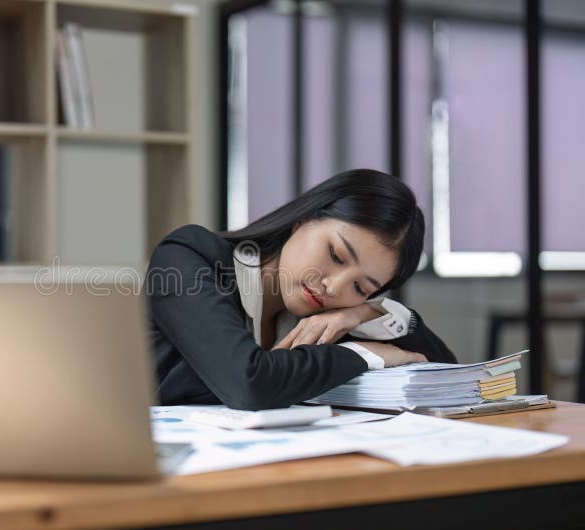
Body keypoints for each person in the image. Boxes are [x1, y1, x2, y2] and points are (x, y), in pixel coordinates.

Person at [145, 169, 457, 410]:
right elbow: (249, 382)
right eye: (336, 255)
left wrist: (366, 314)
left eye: (361, 287)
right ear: (304, 220)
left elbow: (449, 374)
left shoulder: (332, 317)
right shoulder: (188, 256)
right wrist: (364, 354)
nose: (333, 286)